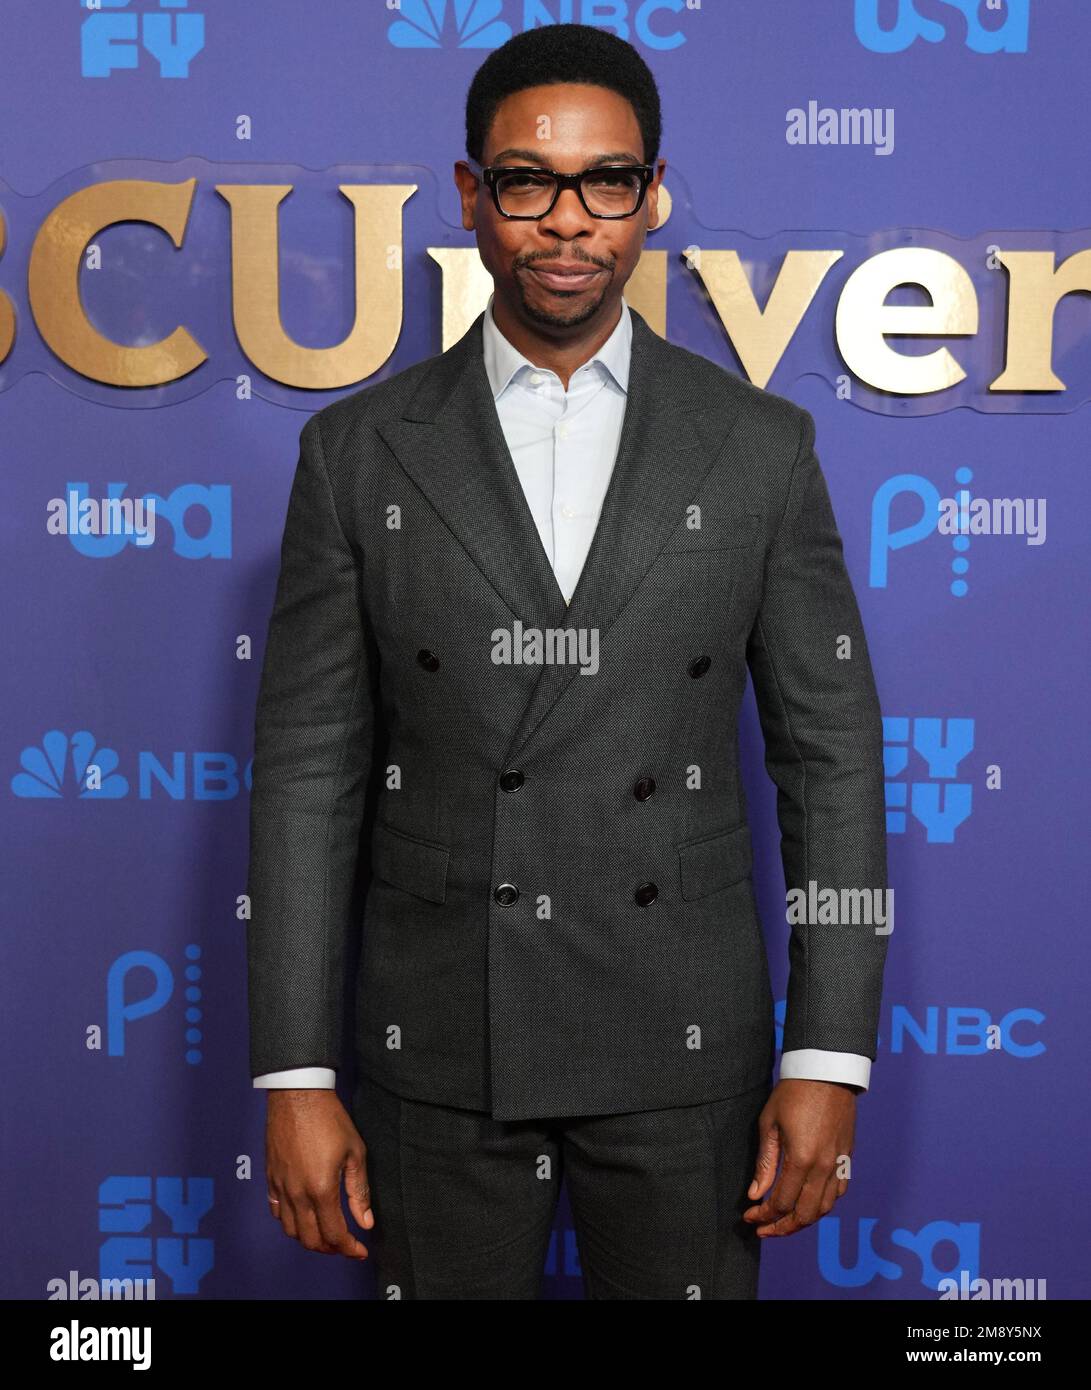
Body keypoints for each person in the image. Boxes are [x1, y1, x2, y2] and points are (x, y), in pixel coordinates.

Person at [246, 23, 889, 1300]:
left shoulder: (759, 448)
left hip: (680, 1043)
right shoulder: (356, 454)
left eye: (606, 182)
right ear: (472, 196)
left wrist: (826, 1053)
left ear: (651, 196)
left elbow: (832, 761)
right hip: (436, 1043)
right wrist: (297, 1073)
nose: (567, 222)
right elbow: (309, 780)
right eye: (528, 183)